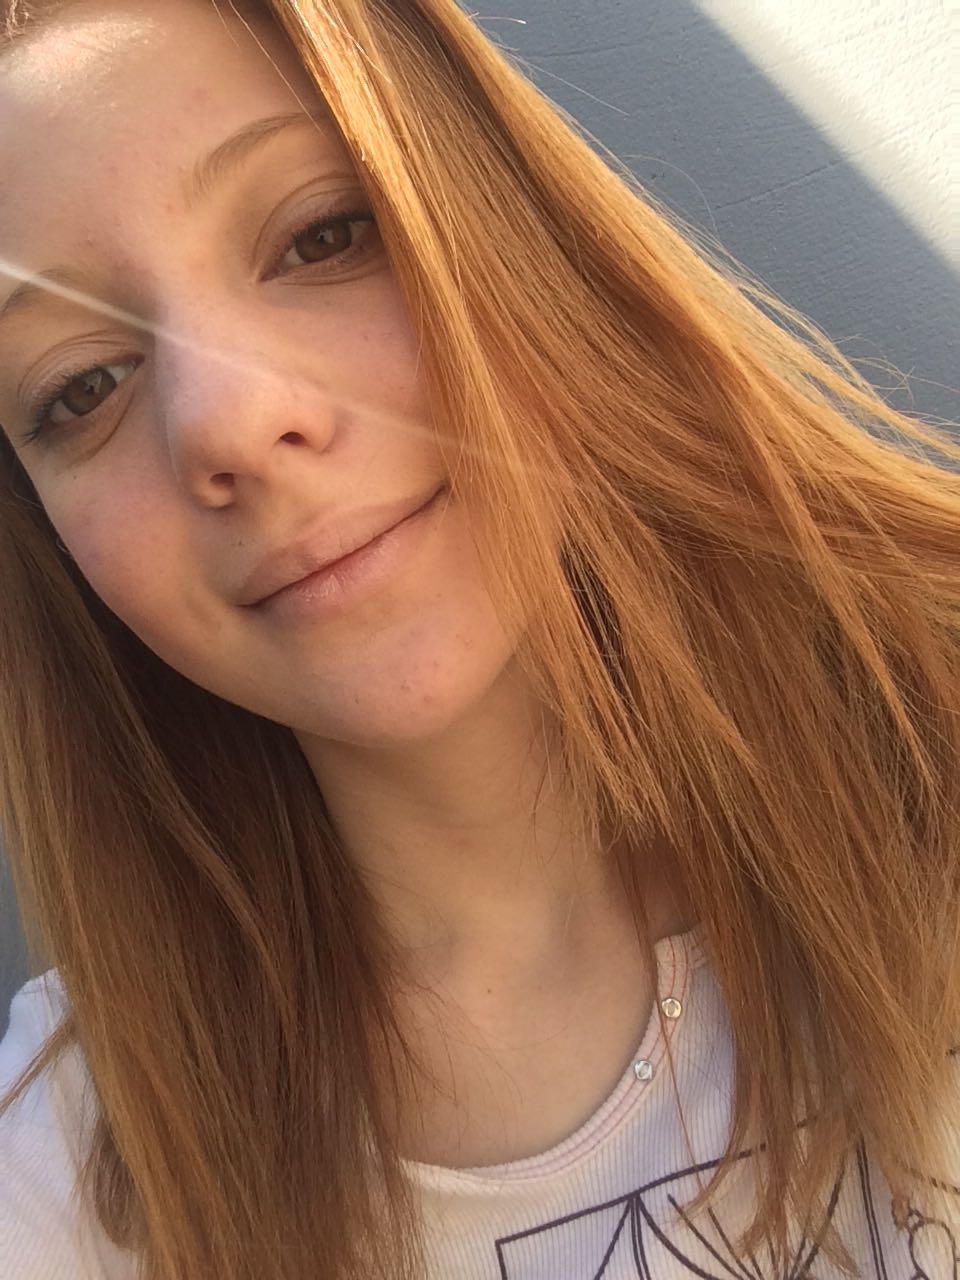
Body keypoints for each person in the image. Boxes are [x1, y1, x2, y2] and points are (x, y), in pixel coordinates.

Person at [0, 0, 956, 1276]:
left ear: (505, 223)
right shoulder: (64, 1180)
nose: (229, 421)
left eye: (323, 233)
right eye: (79, 386)